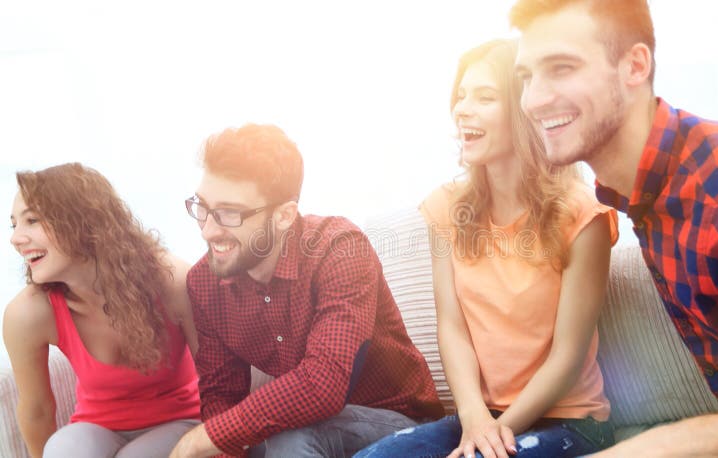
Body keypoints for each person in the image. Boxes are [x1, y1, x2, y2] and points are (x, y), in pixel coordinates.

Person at [510, 0, 718, 456]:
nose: (533, 99)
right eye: (526, 76)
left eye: (561, 67)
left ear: (635, 65)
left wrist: (674, 442)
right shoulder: (644, 195)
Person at [355, 39, 618, 458]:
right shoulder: (446, 209)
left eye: (484, 97)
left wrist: (495, 432)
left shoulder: (583, 215)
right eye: (460, 96)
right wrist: (475, 419)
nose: (462, 109)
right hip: (477, 416)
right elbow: (452, 328)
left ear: (525, 109)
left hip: (570, 423)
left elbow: (567, 356)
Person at [169, 124, 444, 458]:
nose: (208, 230)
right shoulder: (205, 283)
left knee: (288, 437)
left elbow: (321, 384)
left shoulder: (341, 249)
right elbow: (220, 394)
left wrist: (201, 439)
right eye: (202, 207)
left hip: (400, 423)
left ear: (284, 216)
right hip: (297, 427)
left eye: (229, 213)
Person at [4, 162, 201, 458]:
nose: (16, 238)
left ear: (85, 221)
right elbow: (37, 410)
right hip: (96, 429)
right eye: (14, 224)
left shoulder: (171, 279)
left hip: (183, 420)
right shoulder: (28, 313)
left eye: (32, 220)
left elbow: (220, 378)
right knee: (61, 451)